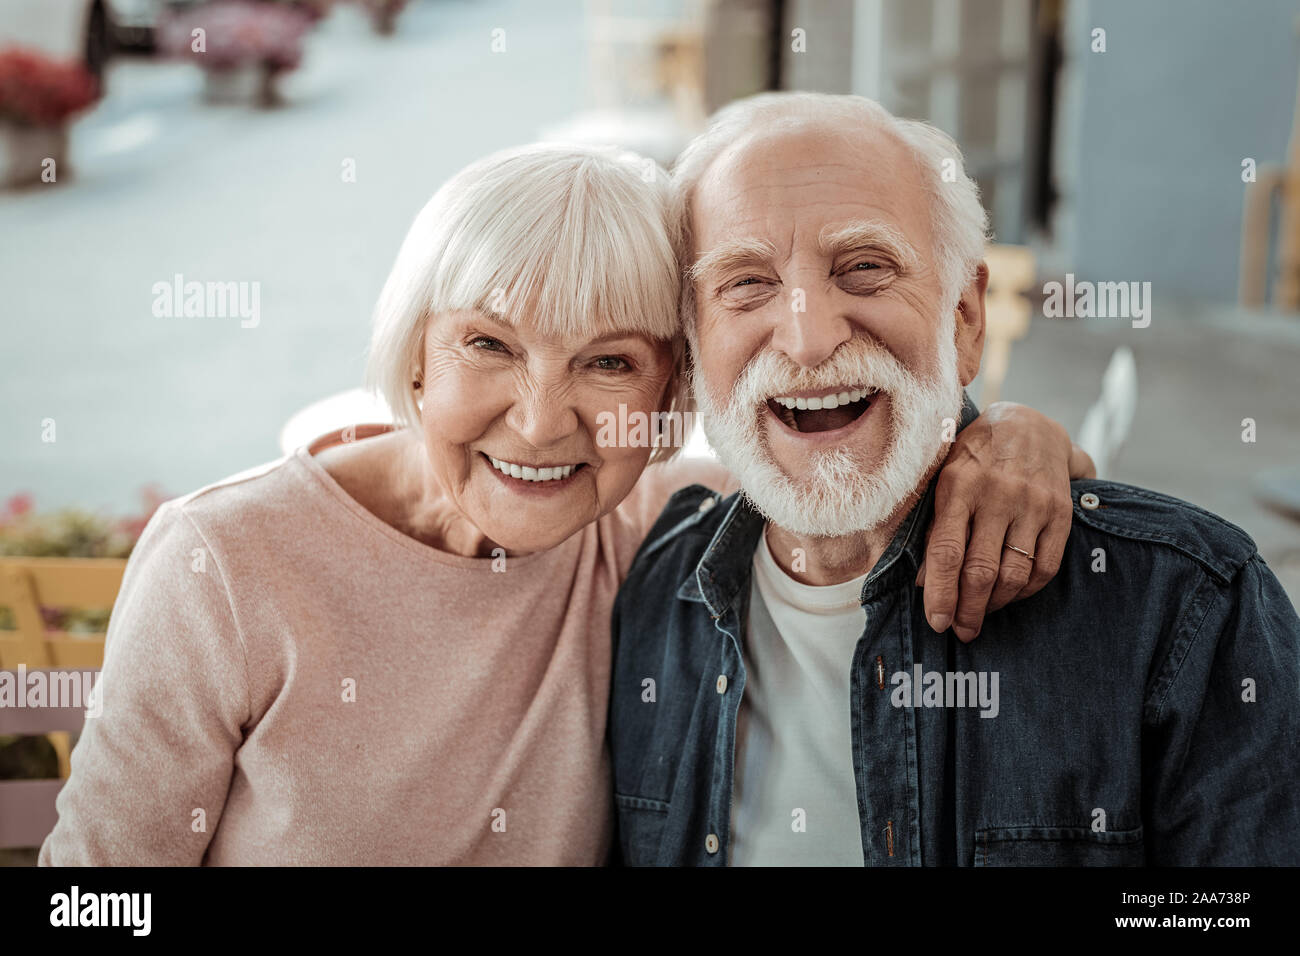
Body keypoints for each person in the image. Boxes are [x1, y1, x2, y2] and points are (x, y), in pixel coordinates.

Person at [41, 142, 1091, 866]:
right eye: (488, 344)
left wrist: (1009, 435)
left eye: (607, 362)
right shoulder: (223, 563)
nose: (542, 423)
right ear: (414, 356)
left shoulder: (659, 527)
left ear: (674, 394)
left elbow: (864, 461)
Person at [608, 92, 1300, 866]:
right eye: (746, 283)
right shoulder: (644, 590)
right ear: (694, 342)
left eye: (864, 269)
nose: (807, 338)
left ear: (965, 318)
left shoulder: (1184, 605)